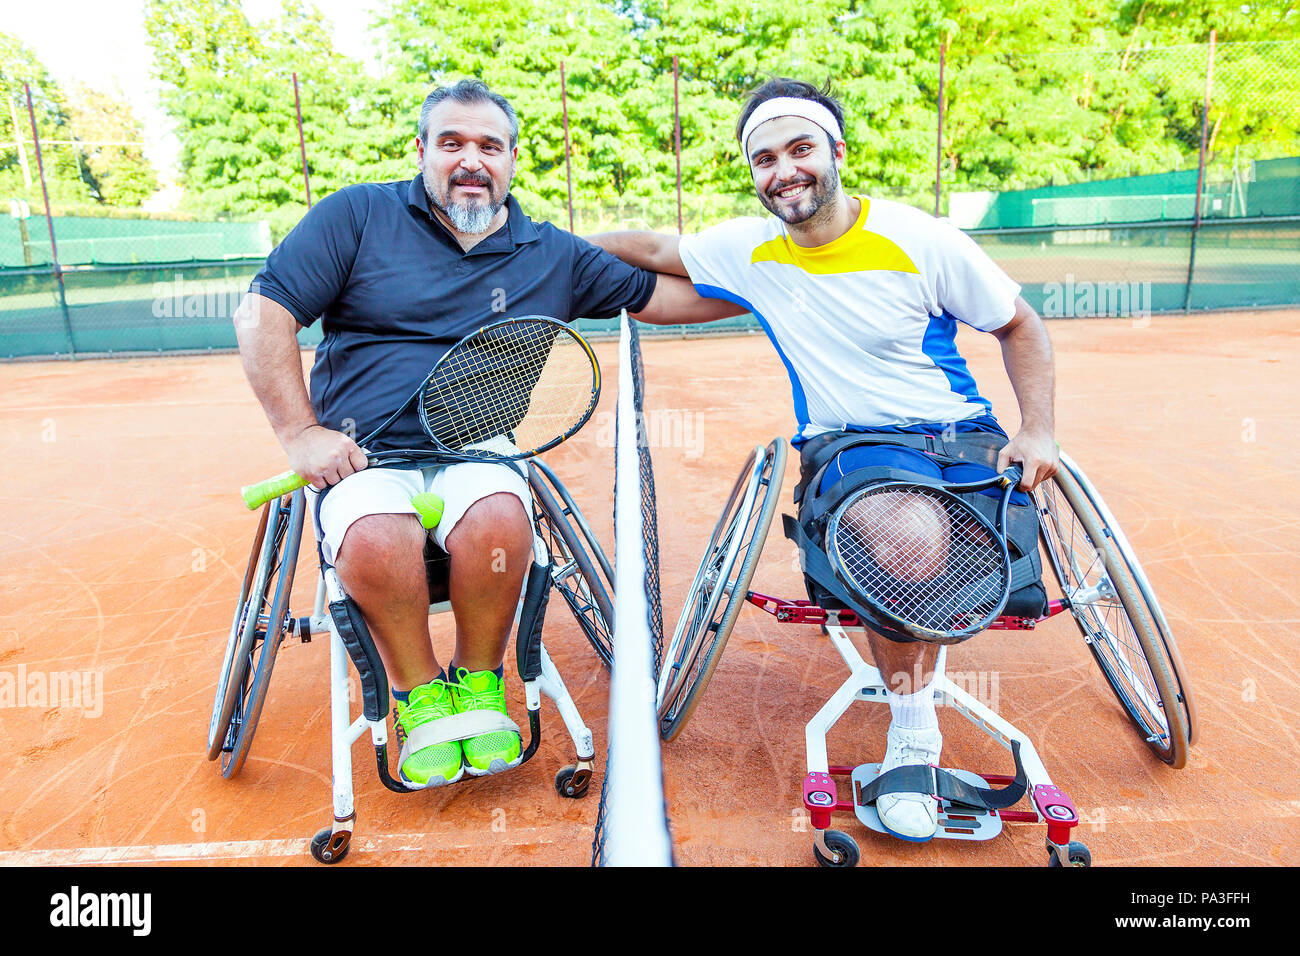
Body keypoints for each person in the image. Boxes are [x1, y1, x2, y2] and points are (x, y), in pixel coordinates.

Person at [233, 79, 739, 790]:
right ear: (421, 153)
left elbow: (668, 296)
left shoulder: (551, 253)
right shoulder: (355, 216)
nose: (471, 160)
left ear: (510, 159)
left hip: (478, 448)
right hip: (363, 453)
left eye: (489, 146)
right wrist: (301, 434)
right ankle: (417, 695)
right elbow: (264, 311)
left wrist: (771, 283)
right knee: (377, 534)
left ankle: (477, 681)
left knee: (503, 523)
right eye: (452, 143)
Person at [588, 77, 1057, 842]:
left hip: (961, 430)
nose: (784, 171)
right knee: (913, 549)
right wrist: (531, 242)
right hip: (853, 442)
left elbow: (1020, 325)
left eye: (800, 149)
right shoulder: (750, 249)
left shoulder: (921, 237)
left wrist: (1037, 431)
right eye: (764, 159)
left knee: (988, 552)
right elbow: (650, 252)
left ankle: (911, 641)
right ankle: (913, 728)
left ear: (836, 152)